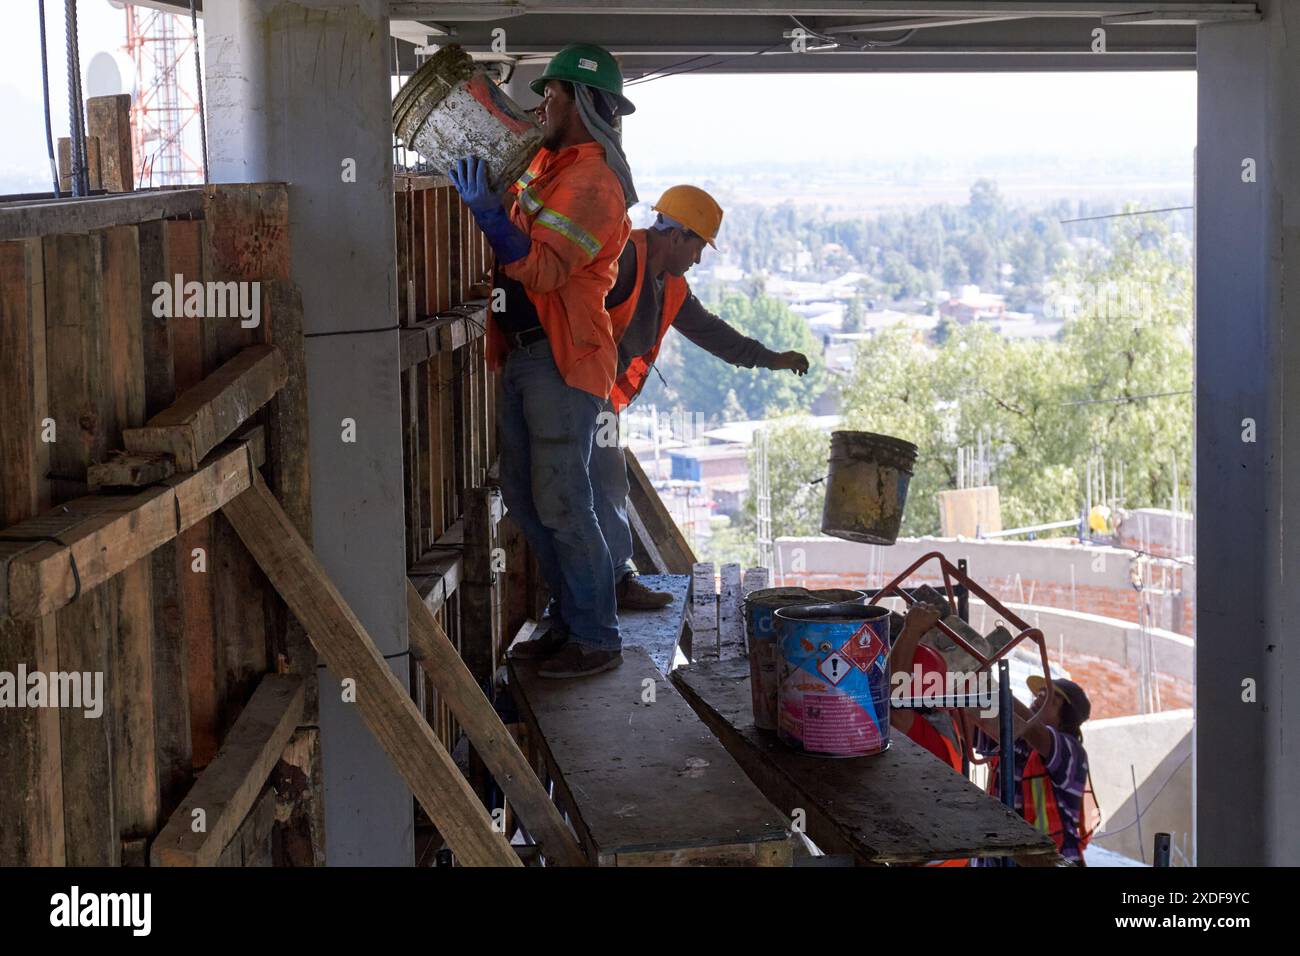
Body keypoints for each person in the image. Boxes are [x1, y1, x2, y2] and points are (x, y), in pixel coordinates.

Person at [447, 42, 637, 679]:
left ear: (583, 101)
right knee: (530, 503)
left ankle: (596, 636)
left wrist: (488, 215)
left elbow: (545, 268)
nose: (542, 101)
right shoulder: (550, 168)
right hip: (526, 356)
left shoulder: (595, 183)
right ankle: (570, 619)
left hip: (563, 361)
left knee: (562, 501)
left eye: (552, 93)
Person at [589, 185, 811, 611]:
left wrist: (769, 359)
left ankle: (605, 583)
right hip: (576, 383)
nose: (698, 259)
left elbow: (711, 332)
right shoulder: (622, 259)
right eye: (698, 248)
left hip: (600, 392)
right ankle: (611, 583)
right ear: (676, 236)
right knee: (604, 481)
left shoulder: (669, 284)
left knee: (601, 482)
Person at [964, 673, 1096, 865]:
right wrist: (961, 689)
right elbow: (969, 730)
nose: (1038, 698)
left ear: (1067, 715)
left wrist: (992, 689)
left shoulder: (1072, 752)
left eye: (1050, 698)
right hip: (1002, 855)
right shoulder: (1015, 741)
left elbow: (1036, 733)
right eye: (1038, 695)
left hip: (1049, 860)